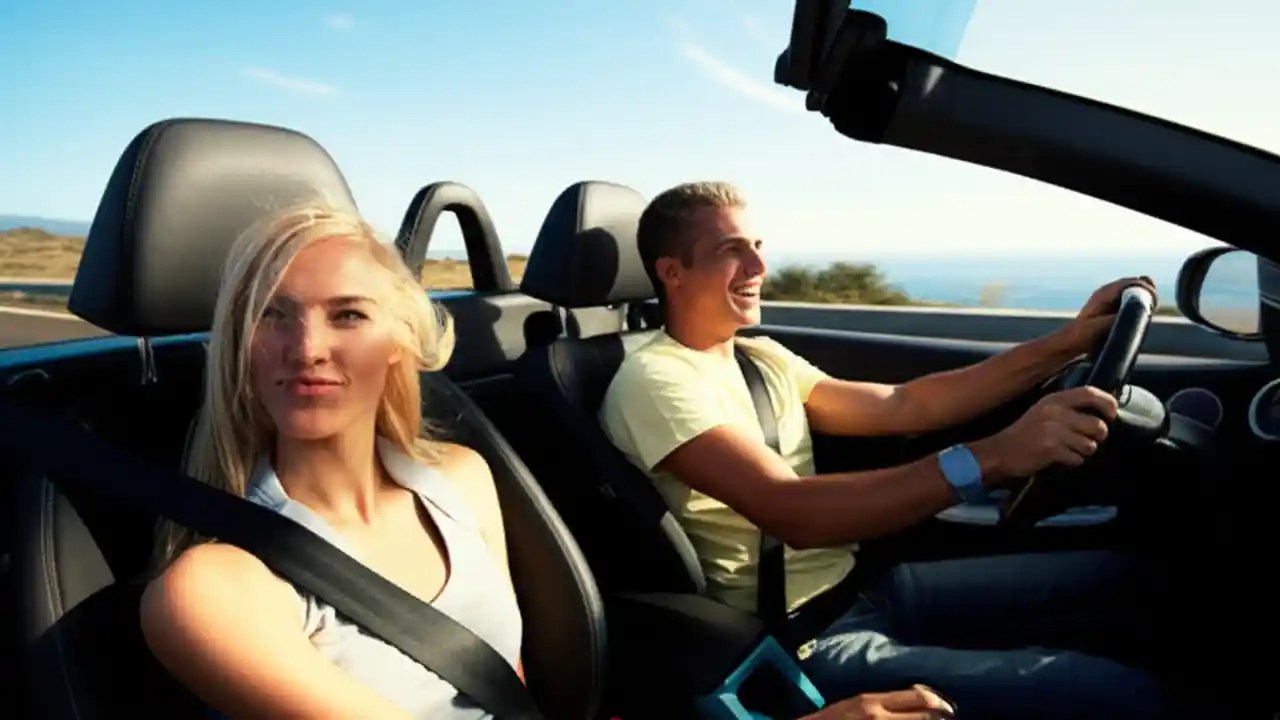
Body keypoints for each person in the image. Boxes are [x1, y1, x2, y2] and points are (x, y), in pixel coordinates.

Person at [137, 200, 954, 720]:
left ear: (399, 342)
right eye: (271, 316)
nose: (306, 348)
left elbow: (511, 687)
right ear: (237, 344)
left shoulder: (460, 480)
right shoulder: (212, 589)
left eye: (347, 315)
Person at [599, 181, 1181, 719]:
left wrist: (1066, 343)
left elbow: (905, 404)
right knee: (1114, 693)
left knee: (1123, 580)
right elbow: (790, 510)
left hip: (868, 588)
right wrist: (995, 455)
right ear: (672, 272)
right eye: (732, 250)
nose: (758, 266)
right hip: (805, 638)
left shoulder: (758, 356)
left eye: (757, 246)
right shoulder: (655, 380)